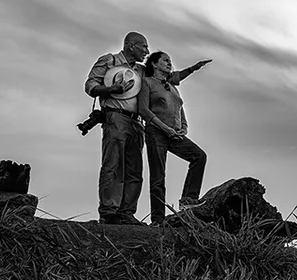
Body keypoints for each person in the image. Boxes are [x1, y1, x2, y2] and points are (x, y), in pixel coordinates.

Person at [84, 32, 209, 224]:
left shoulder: (142, 71)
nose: (147, 51)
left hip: (137, 122)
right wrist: (111, 90)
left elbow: (171, 78)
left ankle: (126, 213)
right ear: (131, 45)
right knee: (113, 165)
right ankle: (109, 211)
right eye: (144, 47)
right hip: (116, 116)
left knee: (135, 170)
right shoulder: (110, 61)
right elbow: (90, 85)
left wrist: (193, 68)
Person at [137, 50, 212, 227]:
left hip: (175, 134)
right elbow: (143, 110)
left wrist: (184, 127)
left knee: (199, 156)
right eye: (165, 60)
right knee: (158, 177)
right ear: (154, 64)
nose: (169, 63)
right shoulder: (147, 83)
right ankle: (157, 220)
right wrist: (165, 128)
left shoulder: (172, 86)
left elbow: (179, 107)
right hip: (156, 132)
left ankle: (188, 198)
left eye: (170, 60)